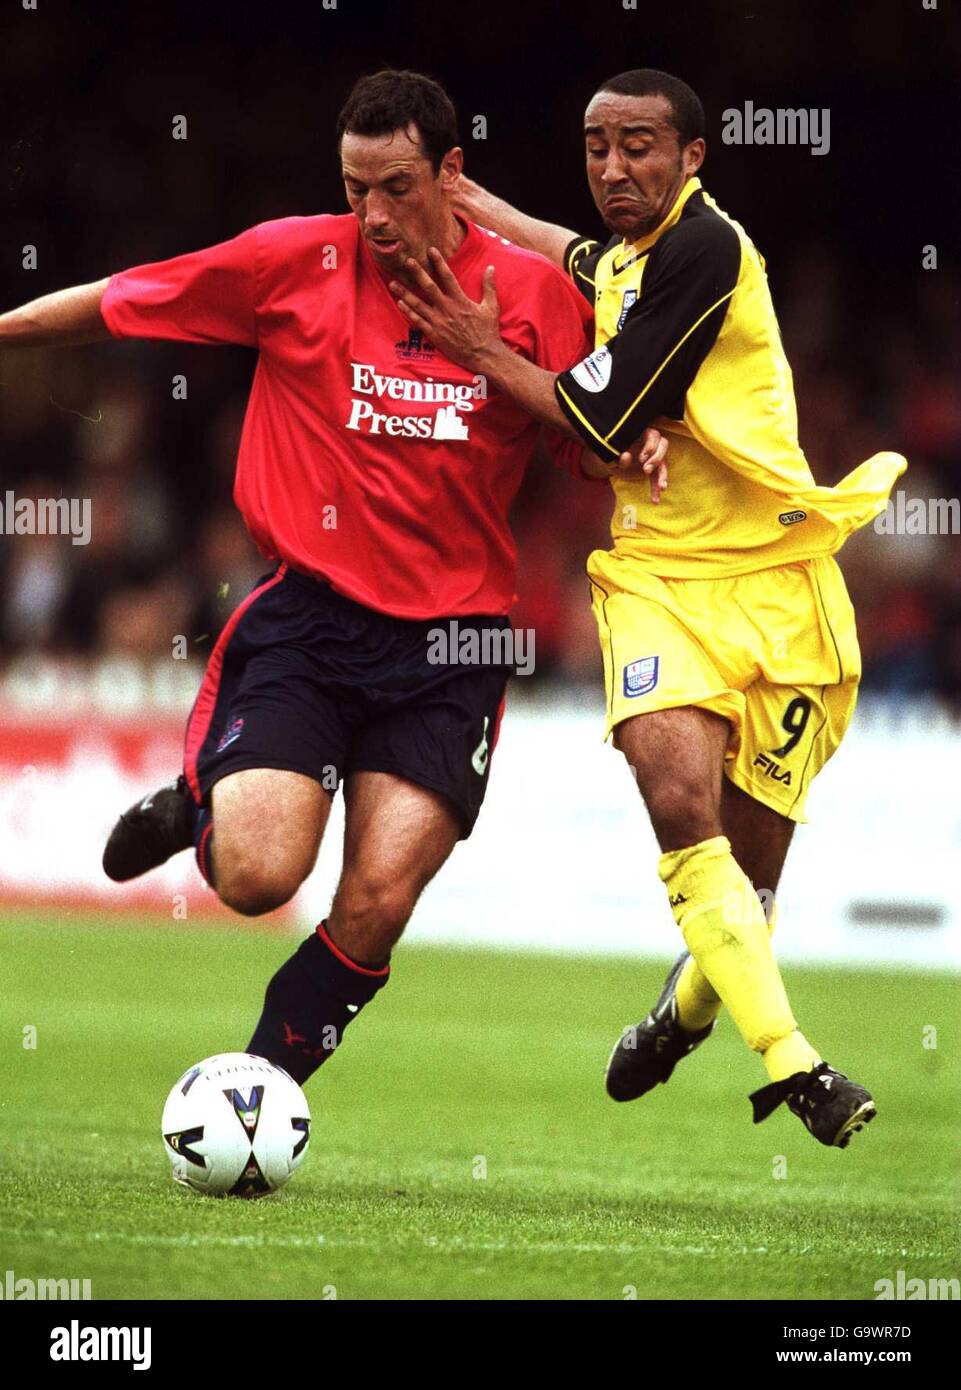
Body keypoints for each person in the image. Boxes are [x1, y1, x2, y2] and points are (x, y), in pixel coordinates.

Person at [0, 69, 667, 1090]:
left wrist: (635, 438)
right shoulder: (293, 261)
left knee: (376, 901)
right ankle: (198, 806)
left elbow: (591, 439)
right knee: (261, 874)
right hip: (310, 621)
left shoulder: (532, 296)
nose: (374, 214)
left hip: (454, 644)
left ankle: (260, 1088)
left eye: (396, 186)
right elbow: (118, 300)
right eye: (356, 188)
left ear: (451, 171)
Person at [388, 67, 907, 1148]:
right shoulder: (627, 256)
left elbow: (594, 415)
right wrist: (462, 200)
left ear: (692, 158)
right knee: (679, 804)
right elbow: (565, 251)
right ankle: (796, 1065)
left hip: (780, 590)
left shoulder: (707, 249)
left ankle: (679, 1016)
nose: (612, 168)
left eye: (638, 147)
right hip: (660, 576)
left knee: (746, 901)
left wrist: (480, 349)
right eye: (594, 147)